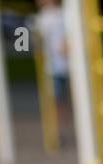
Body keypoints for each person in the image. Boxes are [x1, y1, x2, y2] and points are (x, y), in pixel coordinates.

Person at [33, 0, 70, 143]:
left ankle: (70, 129)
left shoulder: (65, 14)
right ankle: (58, 132)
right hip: (52, 67)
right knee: (57, 102)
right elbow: (24, 44)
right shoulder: (39, 18)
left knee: (71, 100)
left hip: (70, 65)